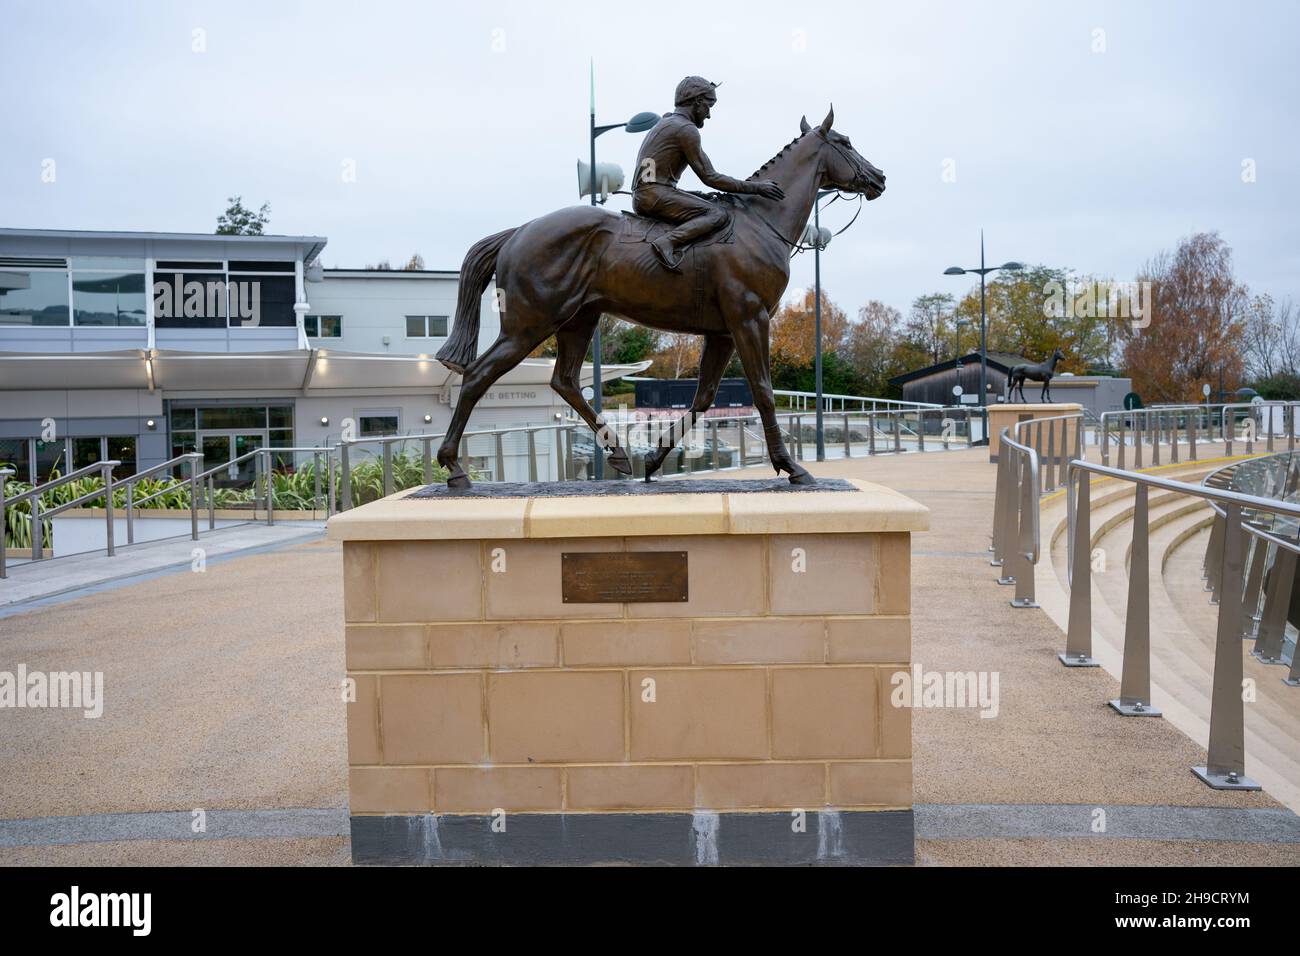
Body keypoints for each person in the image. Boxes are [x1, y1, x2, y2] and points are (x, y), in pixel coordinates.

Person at [632, 76, 785, 272]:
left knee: (708, 201)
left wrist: (696, 195)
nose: (709, 114)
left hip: (648, 193)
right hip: (654, 195)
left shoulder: (667, 122)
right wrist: (757, 188)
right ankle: (667, 242)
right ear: (697, 102)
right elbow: (710, 177)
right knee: (717, 214)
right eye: (708, 106)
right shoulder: (686, 129)